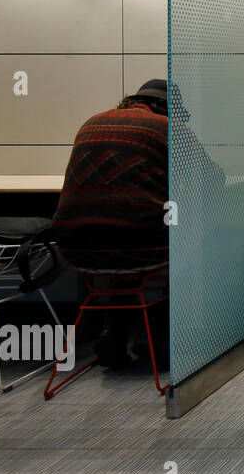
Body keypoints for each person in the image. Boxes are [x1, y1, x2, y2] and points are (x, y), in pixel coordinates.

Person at [52, 79, 170, 368]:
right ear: (165, 107)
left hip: (74, 247)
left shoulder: (91, 123)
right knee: (171, 238)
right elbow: (209, 176)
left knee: (118, 237)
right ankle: (158, 336)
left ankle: (114, 333)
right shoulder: (166, 128)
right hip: (144, 245)